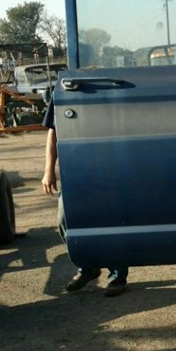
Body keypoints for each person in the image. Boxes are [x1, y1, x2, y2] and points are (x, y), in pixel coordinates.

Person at [41, 98, 128, 297]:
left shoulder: (112, 91)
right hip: (76, 169)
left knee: (111, 221)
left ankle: (117, 276)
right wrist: (48, 169)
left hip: (110, 168)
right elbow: (53, 132)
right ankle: (88, 266)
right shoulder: (64, 93)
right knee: (65, 219)